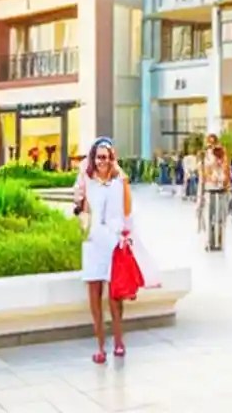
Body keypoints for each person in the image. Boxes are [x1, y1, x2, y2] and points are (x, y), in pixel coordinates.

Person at [78, 137, 132, 364]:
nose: (103, 161)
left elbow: (127, 210)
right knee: (94, 297)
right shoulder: (87, 182)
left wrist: (123, 178)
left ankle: (119, 342)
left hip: (112, 242)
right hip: (93, 243)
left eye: (107, 157)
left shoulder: (119, 183)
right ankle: (100, 347)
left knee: (114, 297)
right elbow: (83, 210)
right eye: (99, 157)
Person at [202, 144, 230, 251]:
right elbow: (206, 176)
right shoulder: (208, 165)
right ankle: (209, 242)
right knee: (210, 218)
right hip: (210, 192)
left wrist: (224, 182)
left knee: (220, 219)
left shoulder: (225, 165)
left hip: (222, 193)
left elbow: (227, 179)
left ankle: (219, 243)